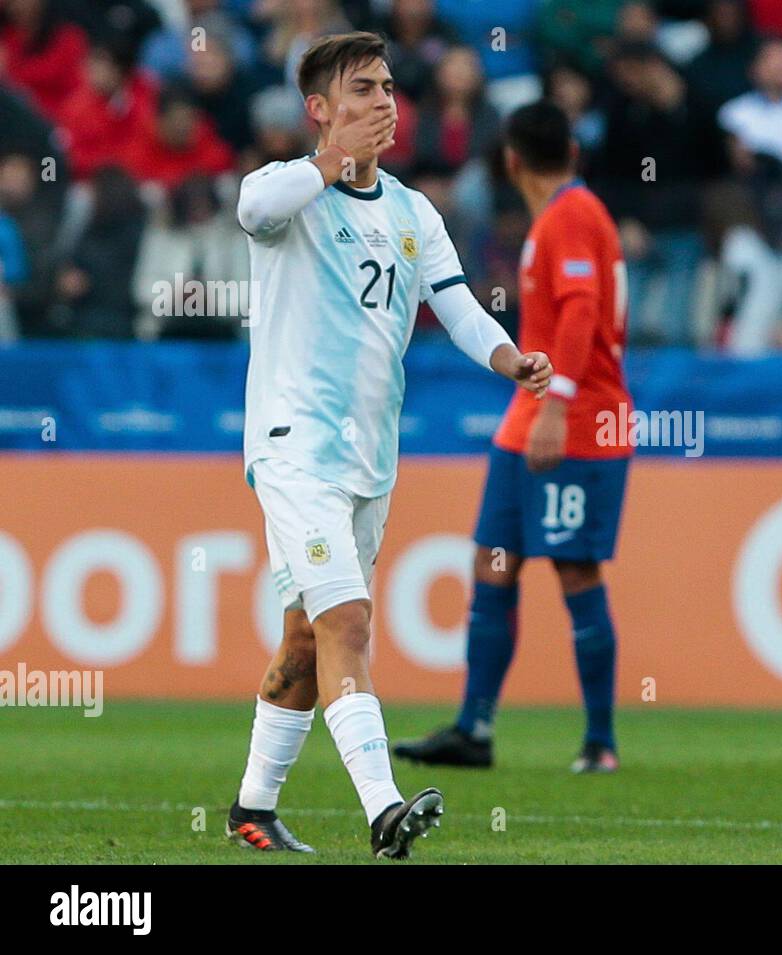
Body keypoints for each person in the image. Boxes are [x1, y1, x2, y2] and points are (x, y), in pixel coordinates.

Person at [227, 32, 553, 858]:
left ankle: (251, 809)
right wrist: (328, 164)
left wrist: (508, 357)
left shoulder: (413, 211)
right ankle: (384, 808)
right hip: (295, 444)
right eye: (363, 89)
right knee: (349, 620)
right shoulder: (293, 194)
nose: (384, 101)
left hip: (371, 458)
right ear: (321, 110)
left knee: (307, 636)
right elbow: (251, 208)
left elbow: (458, 306)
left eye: (387, 86)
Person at [395, 101, 632, 774]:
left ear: (511, 159)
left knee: (575, 567)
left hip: (578, 421)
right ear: (573, 151)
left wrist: (558, 406)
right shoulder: (562, 216)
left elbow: (584, 310)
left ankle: (600, 741)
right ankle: (474, 727)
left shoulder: (572, 215)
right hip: (528, 420)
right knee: (492, 562)